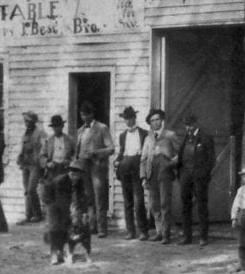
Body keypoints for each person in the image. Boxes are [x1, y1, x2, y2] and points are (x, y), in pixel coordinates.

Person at [74, 102, 115, 238]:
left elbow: (111, 148)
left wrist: (96, 152)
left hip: (97, 167)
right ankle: (92, 227)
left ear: (92, 114)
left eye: (86, 114)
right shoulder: (80, 131)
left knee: (100, 197)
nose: (84, 117)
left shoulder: (102, 128)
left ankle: (102, 228)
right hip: (84, 167)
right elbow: (77, 152)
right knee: (88, 198)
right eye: (82, 115)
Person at [140, 108, 179, 244]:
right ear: (150, 124)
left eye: (157, 119)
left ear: (162, 120)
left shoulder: (170, 135)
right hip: (152, 173)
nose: (155, 122)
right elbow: (144, 159)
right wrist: (144, 177)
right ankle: (159, 231)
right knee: (154, 205)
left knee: (165, 203)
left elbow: (179, 154)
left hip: (165, 172)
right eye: (152, 121)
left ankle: (166, 234)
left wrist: (171, 163)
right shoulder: (148, 138)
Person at [178, 112, 215, 246]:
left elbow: (211, 159)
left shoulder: (205, 138)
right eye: (186, 126)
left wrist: (203, 173)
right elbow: (181, 157)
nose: (188, 128)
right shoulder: (185, 139)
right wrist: (181, 174)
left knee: (201, 206)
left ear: (196, 123)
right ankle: (186, 236)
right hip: (186, 176)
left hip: (200, 177)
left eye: (191, 125)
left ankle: (203, 237)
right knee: (185, 206)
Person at [114, 106, 149, 240]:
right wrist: (116, 161)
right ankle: (130, 231)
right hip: (125, 167)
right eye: (126, 119)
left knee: (138, 201)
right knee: (127, 201)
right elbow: (121, 153)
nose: (128, 121)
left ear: (135, 118)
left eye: (130, 118)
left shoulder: (144, 133)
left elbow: (146, 153)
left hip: (138, 167)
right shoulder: (122, 135)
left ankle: (143, 231)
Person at [16, 111, 46, 225]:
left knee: (31, 189)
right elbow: (22, 147)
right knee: (26, 191)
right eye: (25, 121)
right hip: (25, 164)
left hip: (35, 164)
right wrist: (20, 156)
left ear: (34, 121)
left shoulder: (40, 133)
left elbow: (45, 147)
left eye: (28, 121)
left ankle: (37, 214)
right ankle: (28, 215)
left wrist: (40, 158)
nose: (26, 123)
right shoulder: (25, 133)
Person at [39, 160, 73, 264]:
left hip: (60, 205)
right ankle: (56, 252)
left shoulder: (65, 179)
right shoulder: (49, 180)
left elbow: (70, 194)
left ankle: (59, 251)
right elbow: (44, 196)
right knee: (56, 227)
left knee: (60, 227)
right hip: (55, 205)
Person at [67, 159, 93, 264]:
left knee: (84, 230)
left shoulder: (83, 185)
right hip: (66, 210)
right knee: (67, 232)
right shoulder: (63, 183)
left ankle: (87, 254)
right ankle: (68, 254)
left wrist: (85, 213)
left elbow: (86, 200)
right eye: (72, 174)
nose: (74, 177)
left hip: (78, 210)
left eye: (77, 174)